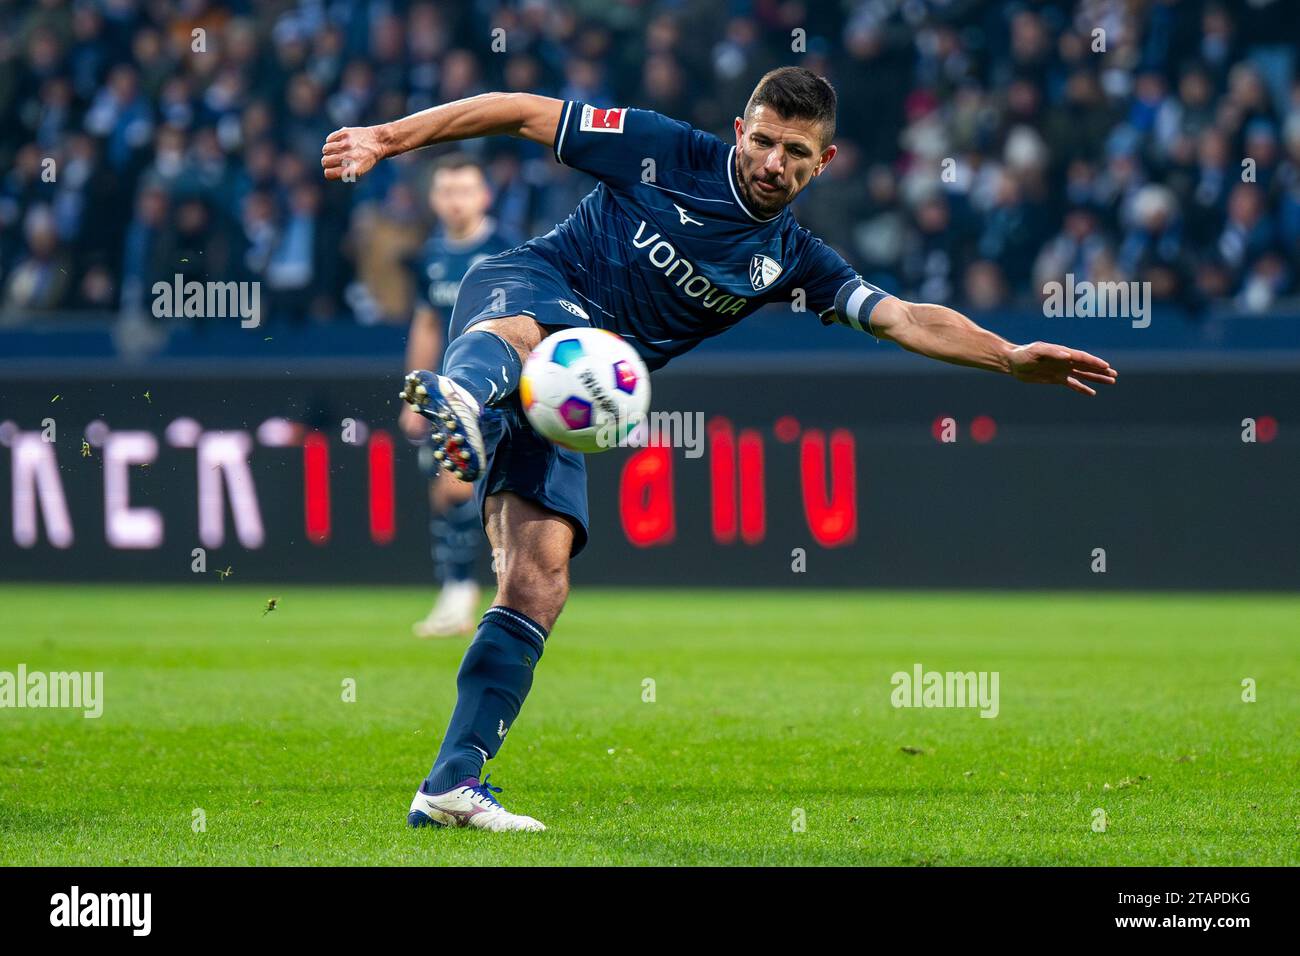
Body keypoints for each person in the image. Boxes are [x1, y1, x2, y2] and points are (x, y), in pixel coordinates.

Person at [322, 67, 1117, 832]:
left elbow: (904, 318)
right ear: (740, 129)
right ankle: (462, 394)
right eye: (765, 141)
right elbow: (520, 110)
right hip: (526, 289)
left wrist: (1008, 357)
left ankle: (452, 785)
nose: (775, 163)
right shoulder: (661, 147)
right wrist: (388, 138)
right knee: (533, 334)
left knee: (539, 580)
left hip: (575, 400)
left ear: (824, 162)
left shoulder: (796, 260)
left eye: (796, 153)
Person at [401, 153, 512, 637]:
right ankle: (458, 590)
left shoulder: (507, 249)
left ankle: (468, 592)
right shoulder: (432, 256)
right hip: (447, 393)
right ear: (433, 199)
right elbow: (426, 323)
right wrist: (414, 395)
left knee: (459, 487)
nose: (455, 201)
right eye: (446, 191)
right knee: (444, 492)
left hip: (498, 393)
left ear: (485, 196)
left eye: (465, 190)